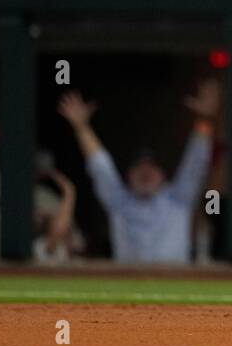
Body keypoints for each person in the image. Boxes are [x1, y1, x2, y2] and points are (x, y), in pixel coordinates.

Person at [57, 79, 219, 263]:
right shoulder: (119, 202)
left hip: (174, 282)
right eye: (139, 168)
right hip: (128, 283)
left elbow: (196, 163)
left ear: (163, 176)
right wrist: (81, 128)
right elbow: (100, 167)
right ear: (128, 176)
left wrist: (205, 120)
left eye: (151, 168)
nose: (145, 172)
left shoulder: (178, 200)